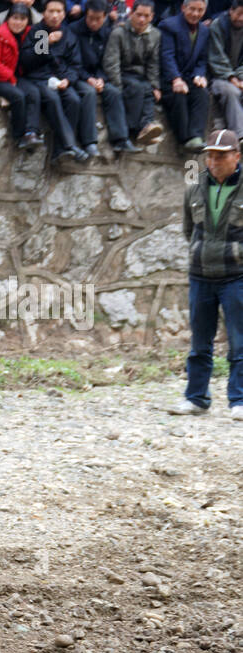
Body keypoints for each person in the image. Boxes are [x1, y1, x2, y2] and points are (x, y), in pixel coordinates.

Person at [175, 128, 243, 419]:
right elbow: (189, 229)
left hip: (236, 277)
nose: (213, 162)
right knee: (199, 342)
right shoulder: (194, 187)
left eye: (221, 156)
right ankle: (196, 398)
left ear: (236, 157)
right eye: (210, 156)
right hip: (200, 276)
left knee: (239, 342)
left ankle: (238, 400)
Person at [19, 0, 88, 162]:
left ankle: (60, 149)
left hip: (60, 79)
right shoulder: (38, 31)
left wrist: (67, 80)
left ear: (64, 14)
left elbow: (75, 64)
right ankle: (69, 145)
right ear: (44, 13)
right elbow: (28, 61)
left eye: (59, 11)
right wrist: (46, 42)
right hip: (39, 79)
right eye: (51, 11)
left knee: (73, 100)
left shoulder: (69, 34)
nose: (55, 15)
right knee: (52, 99)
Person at [70, 0, 139, 152]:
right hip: (79, 76)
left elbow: (109, 59)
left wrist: (101, 78)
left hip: (99, 76)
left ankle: (120, 139)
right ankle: (89, 141)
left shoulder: (108, 32)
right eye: (90, 18)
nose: (94, 23)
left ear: (105, 17)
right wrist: (88, 78)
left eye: (98, 19)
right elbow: (72, 61)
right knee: (88, 93)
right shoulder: (73, 30)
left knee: (114, 92)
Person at [0, 4, 42, 150]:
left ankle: (31, 132)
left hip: (15, 76)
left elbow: (43, 49)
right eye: (15, 18)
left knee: (33, 92)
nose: (18, 22)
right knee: (18, 96)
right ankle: (19, 134)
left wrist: (46, 41)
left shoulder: (30, 32)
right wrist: (11, 78)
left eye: (22, 19)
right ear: (8, 19)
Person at [103, 0, 164, 145]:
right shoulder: (119, 32)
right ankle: (138, 128)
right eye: (139, 15)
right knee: (136, 87)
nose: (142, 19)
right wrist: (118, 85)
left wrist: (155, 85)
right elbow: (111, 63)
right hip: (123, 74)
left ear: (152, 17)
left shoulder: (155, 35)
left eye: (146, 16)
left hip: (141, 76)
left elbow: (153, 63)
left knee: (149, 90)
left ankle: (147, 125)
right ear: (132, 14)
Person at [159, 0, 210, 151]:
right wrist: (176, 79)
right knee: (179, 95)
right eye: (192, 9)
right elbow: (167, 56)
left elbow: (202, 59)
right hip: (169, 77)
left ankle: (196, 137)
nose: (195, 14)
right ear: (183, 8)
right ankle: (183, 139)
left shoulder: (205, 30)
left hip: (189, 76)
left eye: (200, 10)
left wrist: (199, 75)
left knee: (202, 94)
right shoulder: (168, 25)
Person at [208, 0, 243, 138]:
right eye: (239, 14)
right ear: (231, 11)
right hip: (217, 77)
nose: (241, 18)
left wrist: (240, 78)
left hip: (238, 78)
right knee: (230, 91)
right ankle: (240, 135)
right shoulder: (218, 25)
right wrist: (231, 77)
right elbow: (216, 57)